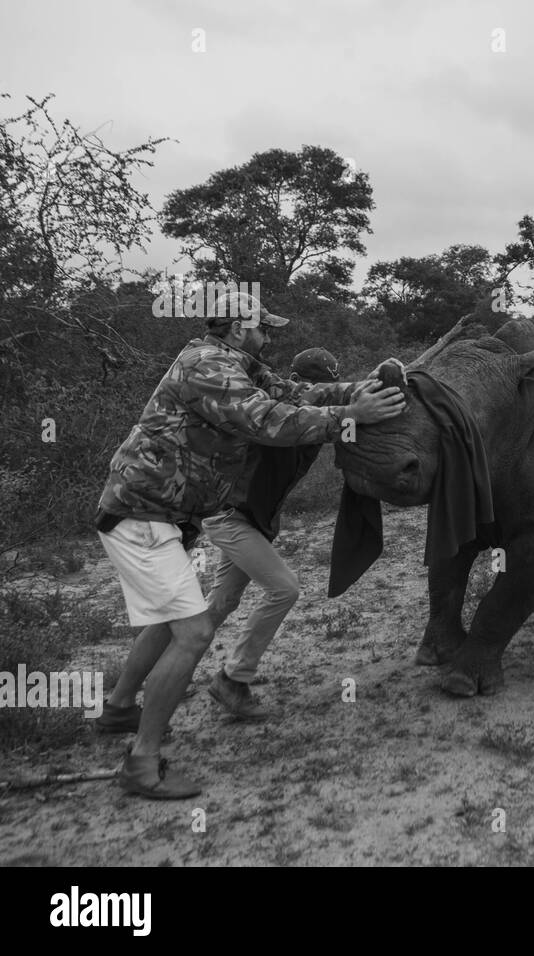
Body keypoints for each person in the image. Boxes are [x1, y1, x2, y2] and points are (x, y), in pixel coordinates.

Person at [94, 292, 406, 798]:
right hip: (142, 513)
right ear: (239, 328)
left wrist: (363, 389)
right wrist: (353, 415)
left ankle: (119, 710)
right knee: (193, 634)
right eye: (263, 328)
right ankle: (142, 763)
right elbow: (265, 420)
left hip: (164, 514)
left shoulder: (239, 365)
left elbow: (296, 392)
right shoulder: (207, 365)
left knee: (165, 622)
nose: (270, 337)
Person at [202, 347, 345, 721]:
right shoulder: (267, 411)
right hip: (231, 516)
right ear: (295, 382)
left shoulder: (311, 419)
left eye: (328, 388)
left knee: (221, 603)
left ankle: (168, 670)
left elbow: (337, 423)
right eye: (315, 386)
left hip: (254, 521)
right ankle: (234, 679)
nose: (321, 394)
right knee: (285, 589)